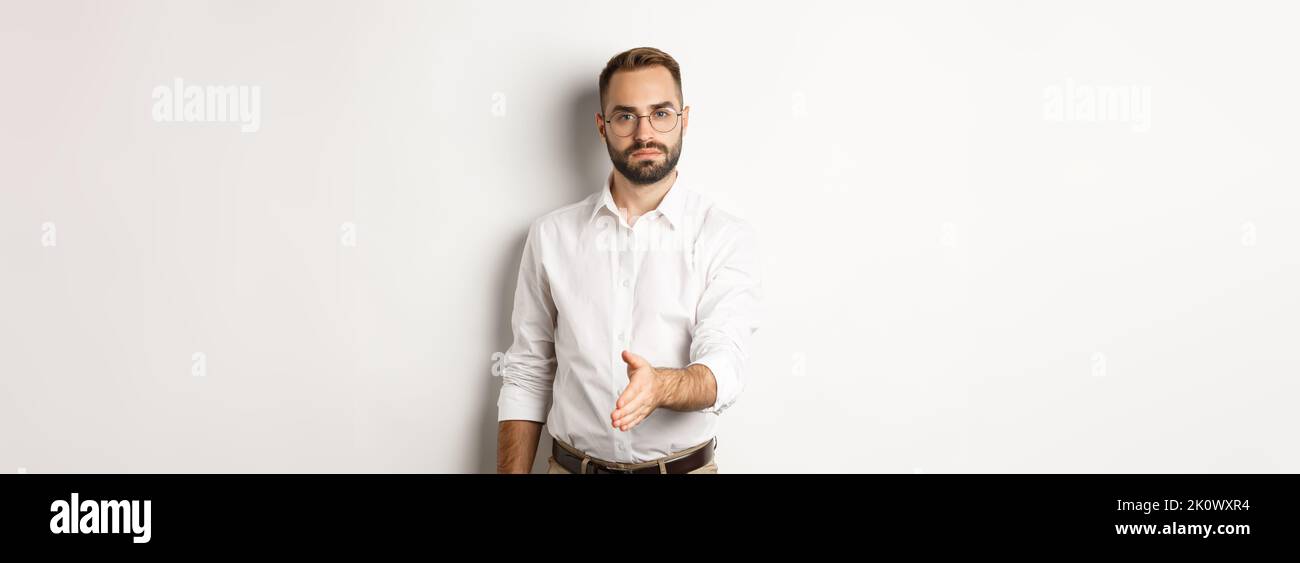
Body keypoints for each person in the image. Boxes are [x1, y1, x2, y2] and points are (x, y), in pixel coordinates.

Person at [496, 47, 762, 474]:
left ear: (684, 120)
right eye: (625, 117)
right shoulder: (551, 236)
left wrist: (662, 386)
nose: (644, 133)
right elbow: (527, 371)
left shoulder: (724, 236)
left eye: (661, 114)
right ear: (602, 126)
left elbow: (724, 365)